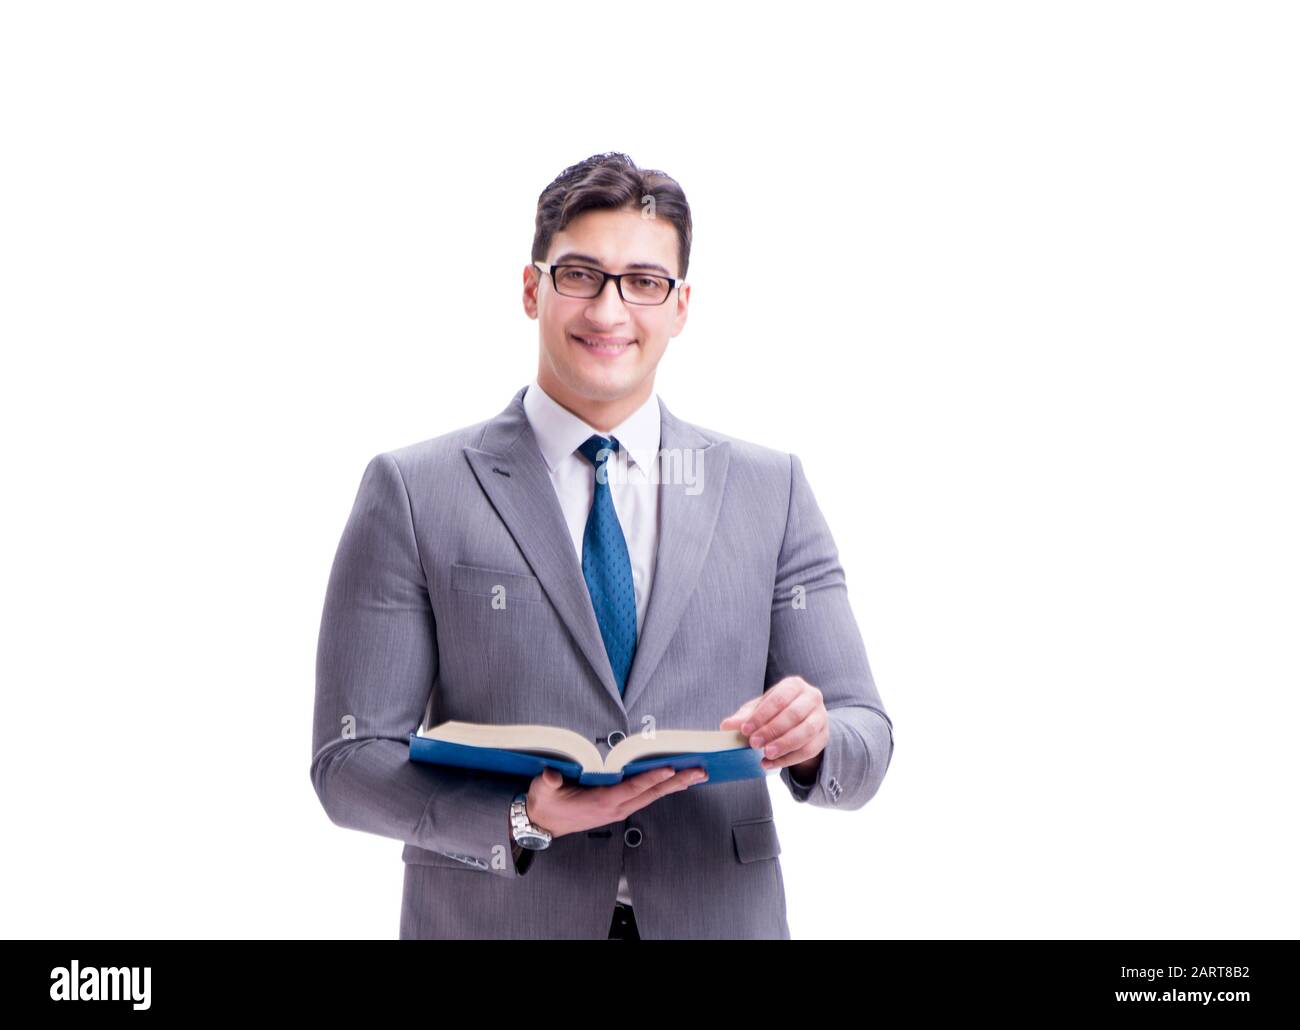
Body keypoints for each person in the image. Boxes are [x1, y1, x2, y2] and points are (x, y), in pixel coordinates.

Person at [310, 152, 894, 939]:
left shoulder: (771, 490)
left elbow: (865, 735)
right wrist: (520, 817)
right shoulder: (414, 491)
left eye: (644, 282)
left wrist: (816, 740)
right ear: (532, 289)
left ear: (681, 304)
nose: (610, 310)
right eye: (580, 274)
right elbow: (347, 765)